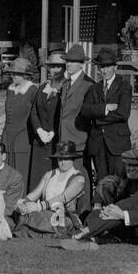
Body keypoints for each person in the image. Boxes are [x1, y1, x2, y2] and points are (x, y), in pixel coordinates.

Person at [12, 141, 88, 239]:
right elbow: (36, 192)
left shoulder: (78, 178)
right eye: (61, 159)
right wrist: (24, 202)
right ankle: (34, 230)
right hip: (43, 213)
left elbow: (63, 198)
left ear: (73, 159)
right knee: (27, 212)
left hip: (64, 217)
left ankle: (29, 228)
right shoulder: (50, 174)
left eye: (67, 159)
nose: (63, 162)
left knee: (35, 217)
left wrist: (39, 206)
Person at [81, 46, 132, 186]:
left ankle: (116, 208)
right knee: (102, 183)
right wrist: (105, 108)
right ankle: (103, 208)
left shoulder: (124, 86)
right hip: (98, 144)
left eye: (108, 66)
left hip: (117, 143)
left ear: (114, 67)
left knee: (118, 182)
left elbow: (123, 114)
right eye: (101, 67)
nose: (104, 70)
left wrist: (97, 117)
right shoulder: (94, 88)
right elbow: (85, 110)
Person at [59, 45, 97, 180]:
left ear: (81, 65)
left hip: (79, 140)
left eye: (73, 61)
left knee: (81, 177)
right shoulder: (65, 83)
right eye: (67, 61)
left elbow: (90, 113)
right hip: (63, 139)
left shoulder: (89, 85)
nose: (68, 64)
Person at [2, 55, 39, 187]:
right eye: (12, 73)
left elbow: (35, 115)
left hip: (23, 137)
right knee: (7, 172)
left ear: (25, 75)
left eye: (17, 74)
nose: (13, 76)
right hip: (8, 135)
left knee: (21, 172)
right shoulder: (10, 89)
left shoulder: (32, 90)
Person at [29, 53, 64, 184]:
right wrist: (39, 130)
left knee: (51, 178)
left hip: (55, 141)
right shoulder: (43, 87)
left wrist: (53, 132)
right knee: (36, 178)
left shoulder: (65, 89)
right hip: (39, 140)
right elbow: (34, 112)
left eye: (58, 67)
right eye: (51, 67)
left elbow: (64, 114)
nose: (54, 70)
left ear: (64, 69)